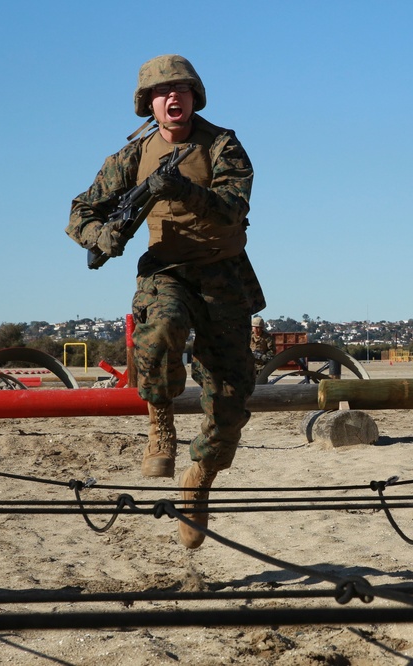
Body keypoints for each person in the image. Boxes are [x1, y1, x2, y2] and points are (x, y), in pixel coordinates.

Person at [66, 55, 265, 548]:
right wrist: (101, 234)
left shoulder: (223, 145)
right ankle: (160, 420)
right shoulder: (132, 156)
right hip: (167, 271)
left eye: (181, 89)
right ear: (147, 104)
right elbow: (79, 212)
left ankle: (200, 475)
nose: (172, 97)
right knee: (158, 331)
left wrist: (184, 190)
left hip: (223, 276)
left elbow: (234, 206)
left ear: (195, 96)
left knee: (232, 397)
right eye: (161, 92)